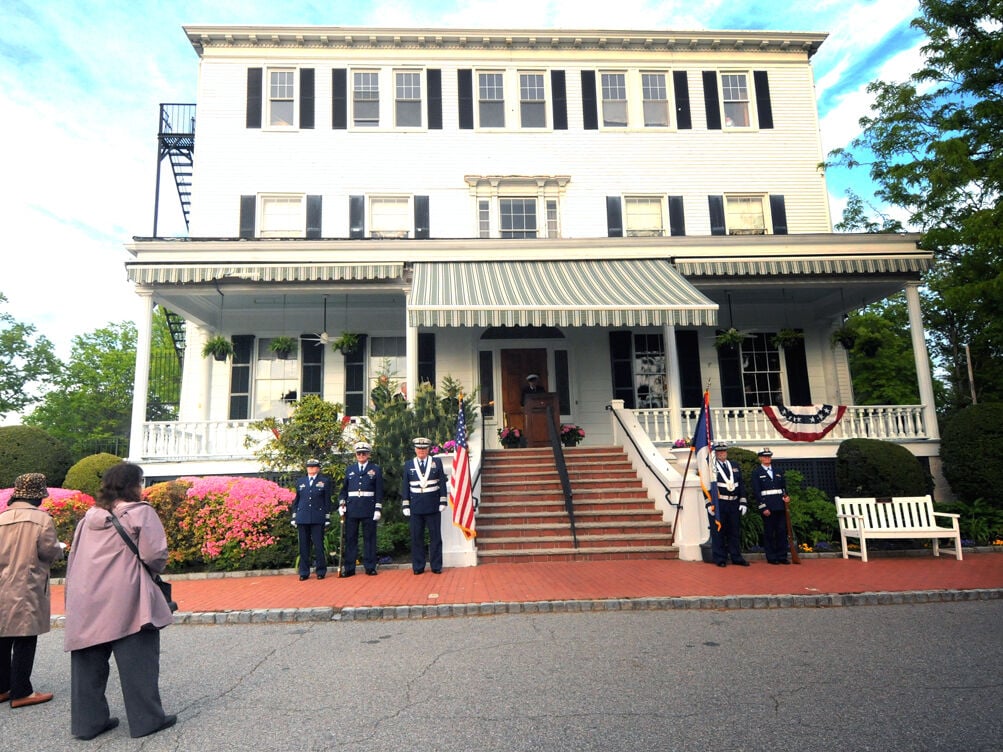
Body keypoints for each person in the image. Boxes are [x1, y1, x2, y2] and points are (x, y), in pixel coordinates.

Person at [63, 461, 176, 740]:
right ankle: (146, 720)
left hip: (87, 597)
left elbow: (74, 558)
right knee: (138, 663)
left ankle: (88, 725)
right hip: (127, 596)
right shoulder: (141, 513)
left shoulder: (88, 518)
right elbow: (154, 556)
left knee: (87, 665)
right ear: (134, 485)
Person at [0, 473, 62, 709]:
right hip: (27, 585)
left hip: (1, 583)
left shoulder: (2, 518)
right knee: (25, 637)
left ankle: (2, 687)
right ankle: (22, 691)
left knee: (2, 637)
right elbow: (49, 551)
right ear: (38, 497)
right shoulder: (41, 520)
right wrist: (60, 549)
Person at [401, 437, 448, 575]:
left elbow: (442, 483)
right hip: (415, 506)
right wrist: (406, 504)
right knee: (416, 537)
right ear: (415, 449)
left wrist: (443, 501)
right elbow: (405, 486)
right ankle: (418, 566)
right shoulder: (409, 464)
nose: (421, 451)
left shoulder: (436, 462)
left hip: (433, 505)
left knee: (435, 537)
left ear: (428, 449)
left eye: (424, 448)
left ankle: (436, 566)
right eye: (419, 448)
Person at [338, 441, 384, 576]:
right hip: (352, 508)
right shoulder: (350, 470)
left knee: (369, 538)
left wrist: (378, 508)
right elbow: (344, 490)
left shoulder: (375, 469)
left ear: (368, 454)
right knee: (351, 539)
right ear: (355, 455)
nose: (361, 455)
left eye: (364, 453)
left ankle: (370, 567)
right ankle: (349, 568)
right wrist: (342, 504)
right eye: (359, 453)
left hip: (368, 508)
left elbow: (379, 491)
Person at [707, 443, 749, 567]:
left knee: (734, 531)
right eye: (719, 452)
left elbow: (741, 484)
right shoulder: (712, 467)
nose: (722, 454)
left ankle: (736, 557)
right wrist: (709, 504)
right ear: (715, 453)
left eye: (724, 451)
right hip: (720, 503)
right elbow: (707, 486)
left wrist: (743, 501)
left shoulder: (734, 465)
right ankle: (720, 558)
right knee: (719, 531)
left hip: (734, 502)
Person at [291, 458, 333, 580]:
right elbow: (297, 500)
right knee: (303, 546)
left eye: (314, 467)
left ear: (318, 468)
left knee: (318, 545)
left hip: (317, 517)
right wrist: (294, 516)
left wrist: (327, 517)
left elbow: (327, 501)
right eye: (309, 467)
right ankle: (304, 572)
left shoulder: (324, 481)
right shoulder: (300, 481)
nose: (311, 469)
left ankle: (321, 571)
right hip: (302, 517)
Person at [751, 448, 791, 565]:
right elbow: (757, 492)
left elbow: (783, 488)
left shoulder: (778, 470)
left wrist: (786, 497)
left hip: (780, 505)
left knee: (781, 531)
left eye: (769, 456)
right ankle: (772, 557)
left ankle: (782, 556)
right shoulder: (757, 472)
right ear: (760, 458)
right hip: (768, 506)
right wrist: (763, 507)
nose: (767, 458)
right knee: (769, 532)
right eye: (765, 456)